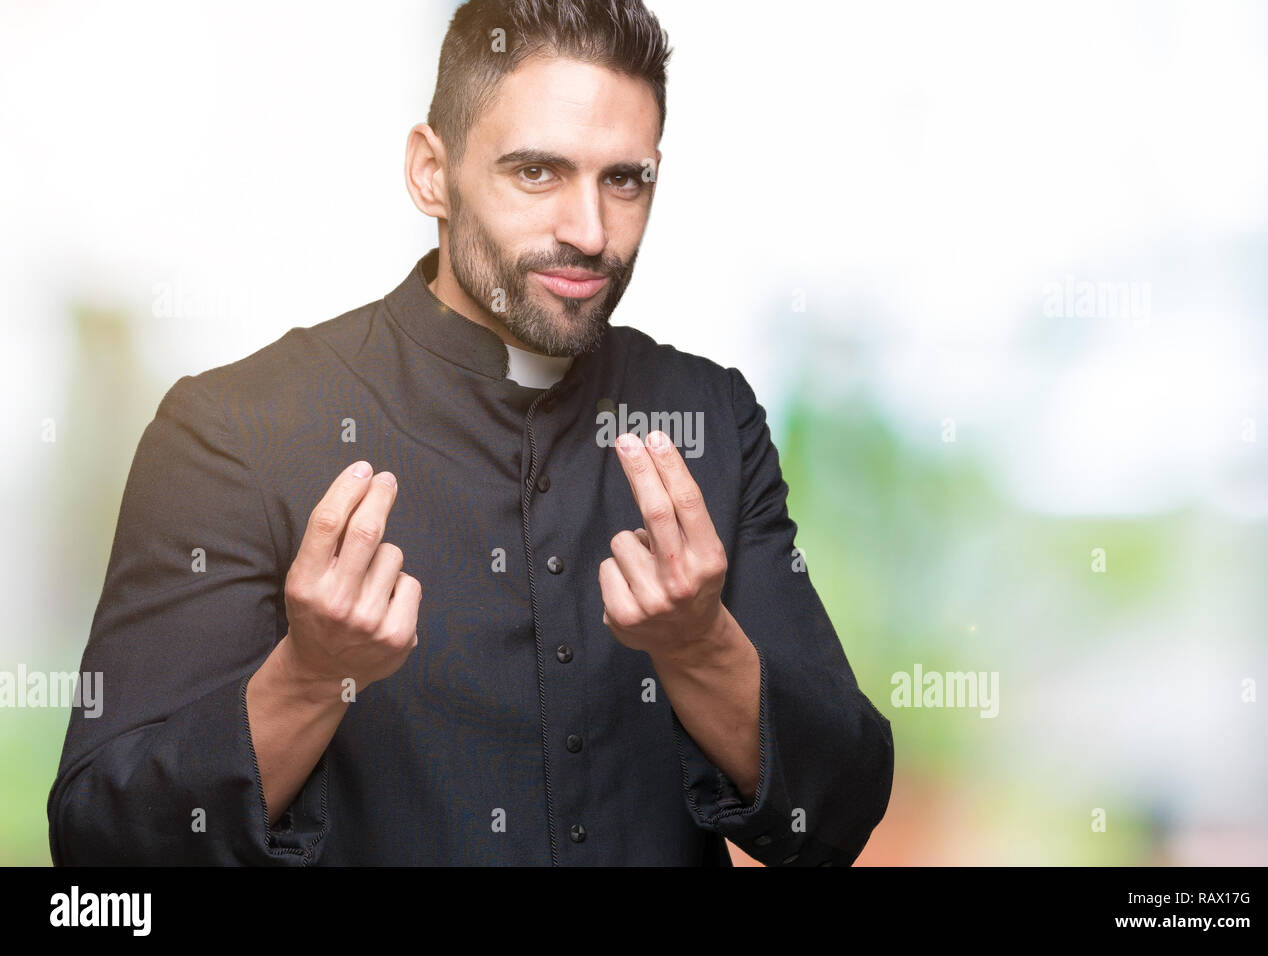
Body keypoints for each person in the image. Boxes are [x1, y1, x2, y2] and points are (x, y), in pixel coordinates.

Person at [48, 0, 893, 866]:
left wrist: (700, 646)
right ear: (429, 172)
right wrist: (309, 675)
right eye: (537, 173)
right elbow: (103, 848)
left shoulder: (712, 417)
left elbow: (836, 815)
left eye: (623, 180)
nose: (589, 232)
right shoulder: (233, 430)